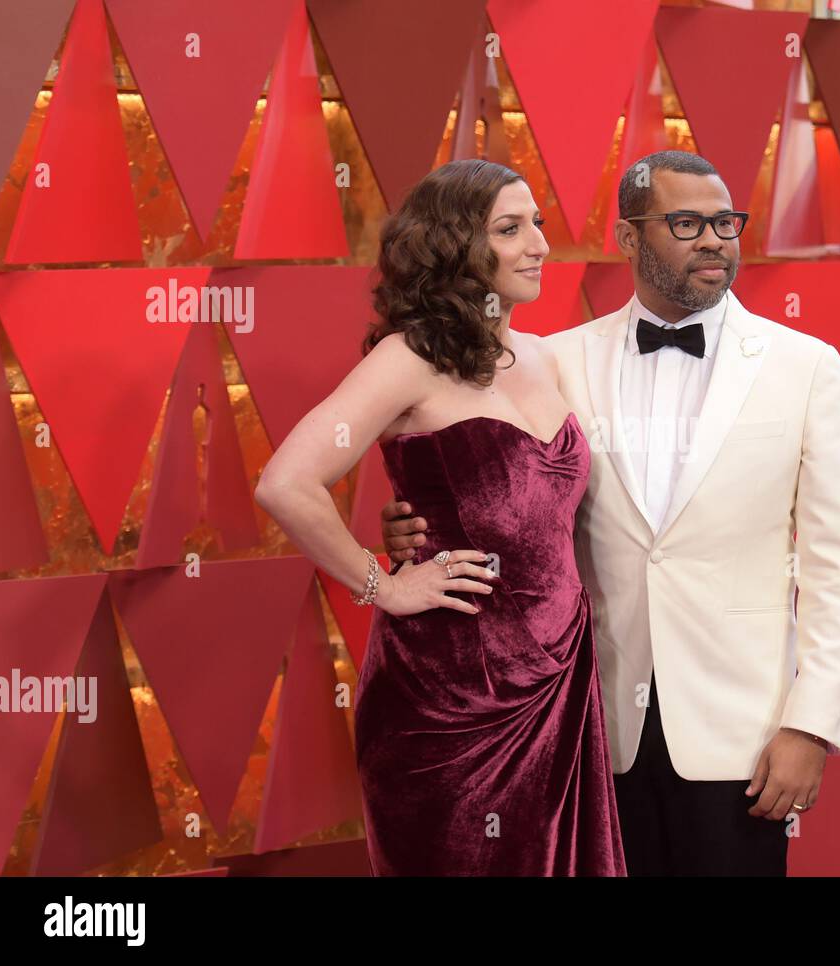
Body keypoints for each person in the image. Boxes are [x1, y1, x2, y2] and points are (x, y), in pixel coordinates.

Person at [383, 150, 840, 876]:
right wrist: (416, 532)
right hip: (586, 728)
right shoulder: (554, 362)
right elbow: (506, 498)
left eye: (725, 222)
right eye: (686, 222)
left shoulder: (806, 367)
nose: (715, 240)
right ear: (630, 238)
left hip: (743, 734)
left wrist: (812, 726)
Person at [254, 159, 626, 876]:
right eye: (510, 229)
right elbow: (286, 482)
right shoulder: (409, 358)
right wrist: (383, 585)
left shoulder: (542, 357)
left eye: (538, 225)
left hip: (560, 684)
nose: (539, 245)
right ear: (456, 245)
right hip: (448, 704)